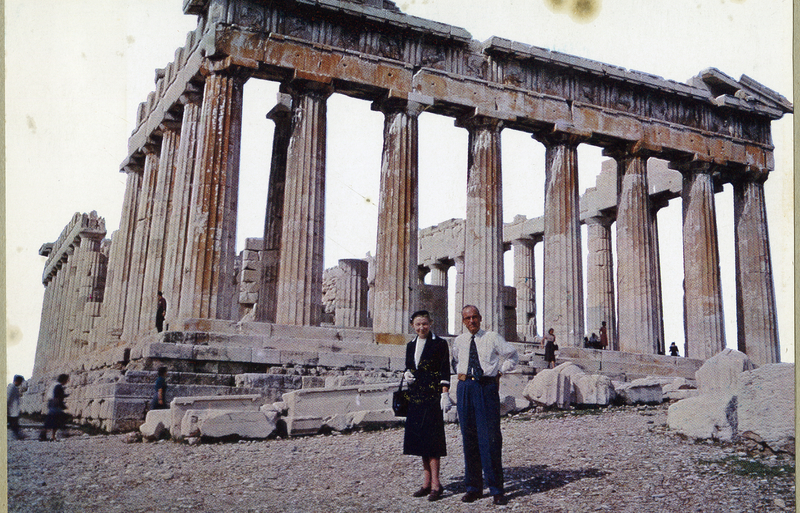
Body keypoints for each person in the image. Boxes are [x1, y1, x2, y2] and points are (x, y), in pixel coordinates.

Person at [452, 305, 518, 506]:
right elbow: (456, 360)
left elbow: (512, 355)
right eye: (467, 318)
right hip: (465, 387)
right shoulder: (459, 341)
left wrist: (500, 371)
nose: (471, 321)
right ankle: (473, 488)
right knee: (469, 437)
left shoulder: (492, 337)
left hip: (485, 387)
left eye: (474, 317)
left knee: (489, 438)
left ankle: (497, 489)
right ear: (463, 321)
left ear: (480, 318)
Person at [403, 310, 451, 502]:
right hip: (416, 396)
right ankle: (426, 482)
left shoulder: (440, 344)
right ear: (413, 326)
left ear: (430, 323)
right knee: (420, 441)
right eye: (417, 324)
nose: (421, 327)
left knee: (433, 441)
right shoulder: (410, 345)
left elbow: (444, 369)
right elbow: (408, 366)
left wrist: (445, 393)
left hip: (432, 397)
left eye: (424, 323)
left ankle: (436, 484)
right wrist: (405, 374)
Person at [40, 374, 69, 441]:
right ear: (64, 380)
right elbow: (56, 396)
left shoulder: (54, 384)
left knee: (51, 420)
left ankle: (46, 435)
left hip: (51, 403)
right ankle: (51, 435)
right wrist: (61, 405)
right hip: (55, 404)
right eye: (66, 380)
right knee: (55, 420)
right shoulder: (58, 386)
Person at [7, 375, 26, 439]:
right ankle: (18, 436)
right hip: (11, 410)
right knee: (14, 424)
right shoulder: (11, 387)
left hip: (13, 410)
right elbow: (8, 398)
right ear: (18, 381)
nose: (21, 383)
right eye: (20, 381)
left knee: (14, 424)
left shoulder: (14, 388)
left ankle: (18, 435)